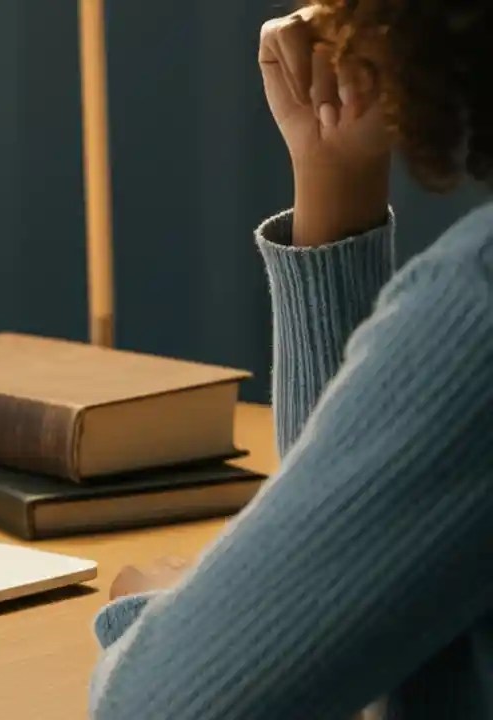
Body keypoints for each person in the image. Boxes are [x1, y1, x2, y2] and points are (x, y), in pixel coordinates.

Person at [88, 2, 492, 718]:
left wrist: (176, 616)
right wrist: (334, 172)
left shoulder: (479, 306)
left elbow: (161, 708)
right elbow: (357, 550)